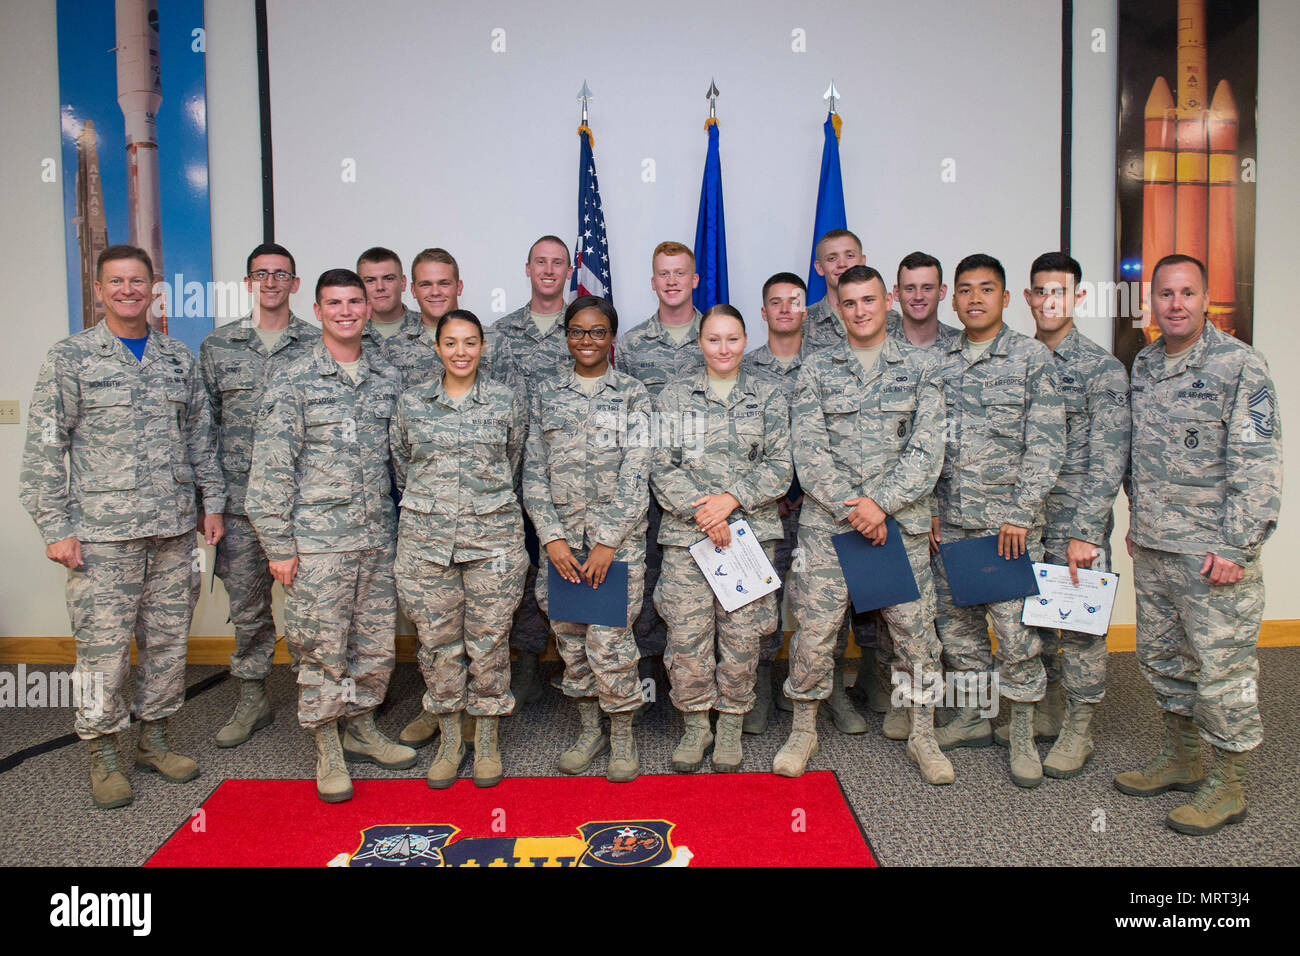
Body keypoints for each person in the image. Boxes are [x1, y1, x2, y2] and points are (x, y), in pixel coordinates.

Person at [20, 244, 226, 809]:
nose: (129, 290)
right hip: (102, 538)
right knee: (102, 651)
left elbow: (200, 440)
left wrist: (213, 504)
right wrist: (55, 527)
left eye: (139, 281)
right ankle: (102, 752)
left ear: (153, 287)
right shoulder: (71, 358)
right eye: (117, 282)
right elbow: (44, 450)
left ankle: (154, 740)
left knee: (165, 644)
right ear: (99, 288)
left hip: (174, 529)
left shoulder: (176, 359)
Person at [1114, 253, 1281, 835]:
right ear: (1150, 302)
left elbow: (1258, 463)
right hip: (1157, 546)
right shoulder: (1145, 364)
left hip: (1214, 555)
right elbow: (1141, 452)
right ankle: (1183, 757)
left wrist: (1238, 547)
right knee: (1163, 658)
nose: (1175, 304)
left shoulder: (1239, 366)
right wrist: (1137, 518)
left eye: (1187, 293)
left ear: (1206, 299)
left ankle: (1228, 785)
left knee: (1222, 667)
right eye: (1165, 294)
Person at [775, 265, 951, 783]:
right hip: (830, 532)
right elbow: (807, 453)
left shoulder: (923, 368)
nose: (860, 311)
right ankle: (803, 729)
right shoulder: (816, 369)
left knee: (915, 637)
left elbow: (928, 449)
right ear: (839, 308)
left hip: (898, 530)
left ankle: (923, 733)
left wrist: (882, 506)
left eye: (869, 300)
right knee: (813, 635)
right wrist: (857, 510)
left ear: (888, 300)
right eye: (849, 303)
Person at [247, 268, 415, 804]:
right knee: (321, 648)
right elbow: (270, 470)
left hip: (377, 538)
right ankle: (327, 746)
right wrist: (278, 547)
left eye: (354, 302)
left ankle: (362, 728)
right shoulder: (292, 380)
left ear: (369, 309)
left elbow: (403, 462)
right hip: (318, 546)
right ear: (317, 311)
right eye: (334, 303)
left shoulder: (386, 379)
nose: (346, 311)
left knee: (373, 645)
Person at [930, 254, 1065, 789]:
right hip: (952, 527)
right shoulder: (938, 364)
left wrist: (1021, 513)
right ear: (953, 299)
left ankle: (1023, 732)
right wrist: (932, 511)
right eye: (965, 290)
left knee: (1016, 636)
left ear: (1006, 299)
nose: (975, 298)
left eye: (987, 288)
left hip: (1007, 530)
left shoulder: (1031, 359)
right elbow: (927, 445)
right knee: (957, 631)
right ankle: (972, 717)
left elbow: (1047, 443)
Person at [994, 252, 1129, 780]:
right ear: (1028, 298)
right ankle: (1046, 710)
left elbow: (1110, 456)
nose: (1049, 301)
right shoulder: (1016, 360)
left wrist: (1086, 532)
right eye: (1040, 291)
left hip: (1074, 520)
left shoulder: (1102, 370)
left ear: (1078, 298)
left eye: (1061, 292)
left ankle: (1079, 726)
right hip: (1025, 518)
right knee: (1034, 620)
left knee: (1080, 629)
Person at [390, 310, 529, 789]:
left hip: (493, 541)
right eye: (451, 343)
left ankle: (485, 739)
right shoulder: (411, 403)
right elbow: (401, 465)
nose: (461, 352)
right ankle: (450, 738)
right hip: (426, 545)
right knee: (437, 645)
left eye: (470, 342)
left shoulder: (506, 401)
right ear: (437, 348)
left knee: (489, 641)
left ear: (483, 347)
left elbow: (515, 461)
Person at [651, 305, 792, 773]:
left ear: (745, 339)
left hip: (748, 535)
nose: (724, 348)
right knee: (688, 636)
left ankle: (731, 723)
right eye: (714, 339)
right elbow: (660, 464)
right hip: (686, 537)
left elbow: (781, 465)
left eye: (732, 339)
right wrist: (704, 512)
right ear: (700, 343)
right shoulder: (673, 397)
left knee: (743, 636)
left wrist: (730, 500)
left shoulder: (768, 396)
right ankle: (696, 726)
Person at [522, 295, 651, 781]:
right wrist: (552, 539)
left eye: (597, 332)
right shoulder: (545, 394)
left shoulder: (634, 394)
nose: (587, 340)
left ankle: (622, 737)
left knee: (611, 644)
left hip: (614, 548)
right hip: (561, 548)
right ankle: (588, 729)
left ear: (612, 337)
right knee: (572, 642)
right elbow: (532, 472)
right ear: (567, 336)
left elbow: (638, 473)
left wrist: (607, 541)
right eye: (577, 331)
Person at [200, 242, 320, 748]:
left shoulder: (319, 343)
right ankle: (252, 697)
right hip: (241, 504)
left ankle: (326, 702)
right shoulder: (218, 347)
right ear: (248, 282)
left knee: (317, 609)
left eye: (281, 274)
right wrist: (210, 502)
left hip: (308, 506)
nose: (271, 282)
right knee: (248, 608)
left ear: (295, 283)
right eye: (261, 274)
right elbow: (201, 430)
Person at [484, 235, 576, 712]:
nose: (548, 269)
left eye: (557, 262)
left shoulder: (584, 327)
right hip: (513, 481)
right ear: (528, 268)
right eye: (540, 262)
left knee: (575, 564)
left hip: (574, 481)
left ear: (568, 271)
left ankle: (575, 661)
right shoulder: (498, 335)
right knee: (520, 574)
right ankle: (524, 662)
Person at [614, 241, 707, 704]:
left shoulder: (716, 333)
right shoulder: (631, 344)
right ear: (652, 282)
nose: (671, 281)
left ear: (694, 280)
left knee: (699, 582)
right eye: (663, 274)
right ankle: (650, 676)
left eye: (680, 273)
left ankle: (695, 683)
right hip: (646, 487)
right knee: (648, 578)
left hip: (703, 489)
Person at [739, 272, 810, 734]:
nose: (785, 309)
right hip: (763, 509)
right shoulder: (743, 369)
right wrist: (771, 491)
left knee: (820, 602)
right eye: (776, 303)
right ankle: (761, 687)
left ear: (806, 310)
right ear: (763, 312)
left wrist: (804, 489)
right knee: (761, 597)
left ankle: (827, 692)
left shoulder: (827, 366)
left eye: (794, 301)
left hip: (821, 508)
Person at [803, 229, 862, 349]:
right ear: (819, 268)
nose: (842, 264)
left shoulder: (889, 318)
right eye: (832, 258)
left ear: (862, 261)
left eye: (849, 256)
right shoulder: (803, 322)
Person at [356, 246, 420, 342]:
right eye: (370, 281)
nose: (380, 287)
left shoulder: (432, 328)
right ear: (359, 286)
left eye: (388, 278)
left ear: (403, 282)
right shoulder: (349, 333)